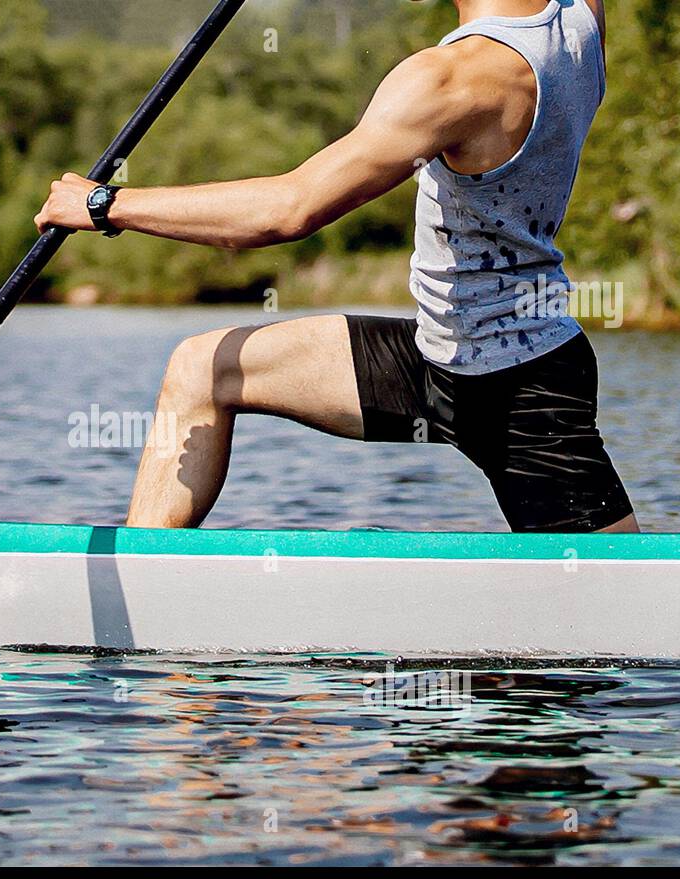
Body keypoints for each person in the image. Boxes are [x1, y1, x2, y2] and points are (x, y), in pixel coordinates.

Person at [34, 0, 638, 535]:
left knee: (616, 614)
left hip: (520, 390)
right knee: (201, 369)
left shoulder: (451, 80)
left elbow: (285, 211)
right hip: (437, 357)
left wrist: (106, 204)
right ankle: (148, 596)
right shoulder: (581, 22)